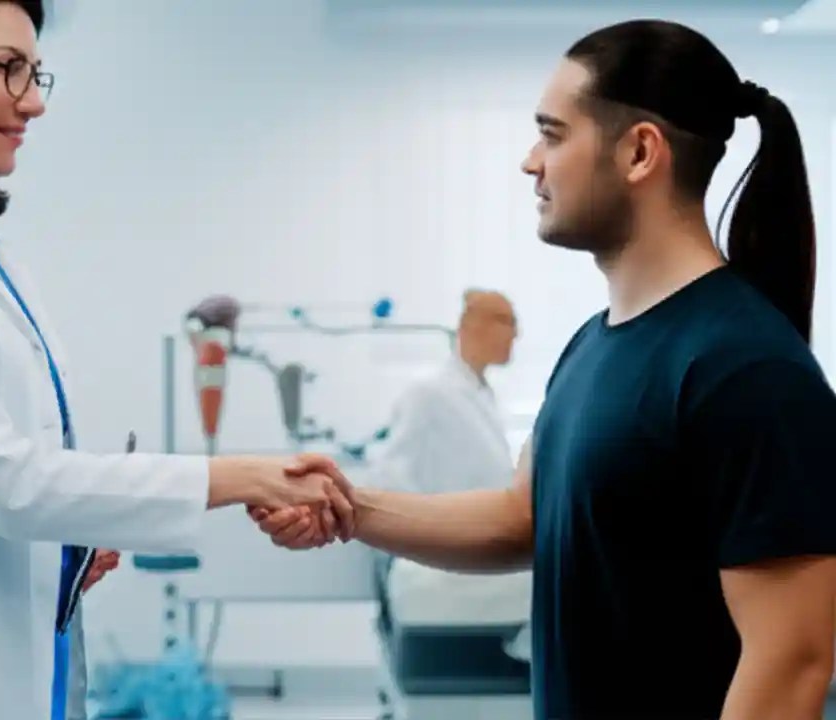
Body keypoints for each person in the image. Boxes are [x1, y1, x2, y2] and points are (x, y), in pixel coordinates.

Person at [0, 2, 354, 719]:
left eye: (35, 71)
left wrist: (67, 546)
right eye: (7, 69)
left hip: (9, 653)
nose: (34, 101)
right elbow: (4, 480)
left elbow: (15, 476)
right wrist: (241, 475)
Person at [255, 19, 836, 720]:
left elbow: (792, 661)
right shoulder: (595, 344)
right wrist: (351, 507)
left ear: (639, 152)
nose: (530, 161)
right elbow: (521, 520)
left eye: (553, 134)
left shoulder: (744, 368)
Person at [375, 288, 518, 495]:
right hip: (446, 524)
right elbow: (389, 478)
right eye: (505, 321)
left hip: (480, 523)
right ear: (470, 326)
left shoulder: (483, 393)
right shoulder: (428, 394)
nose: (515, 334)